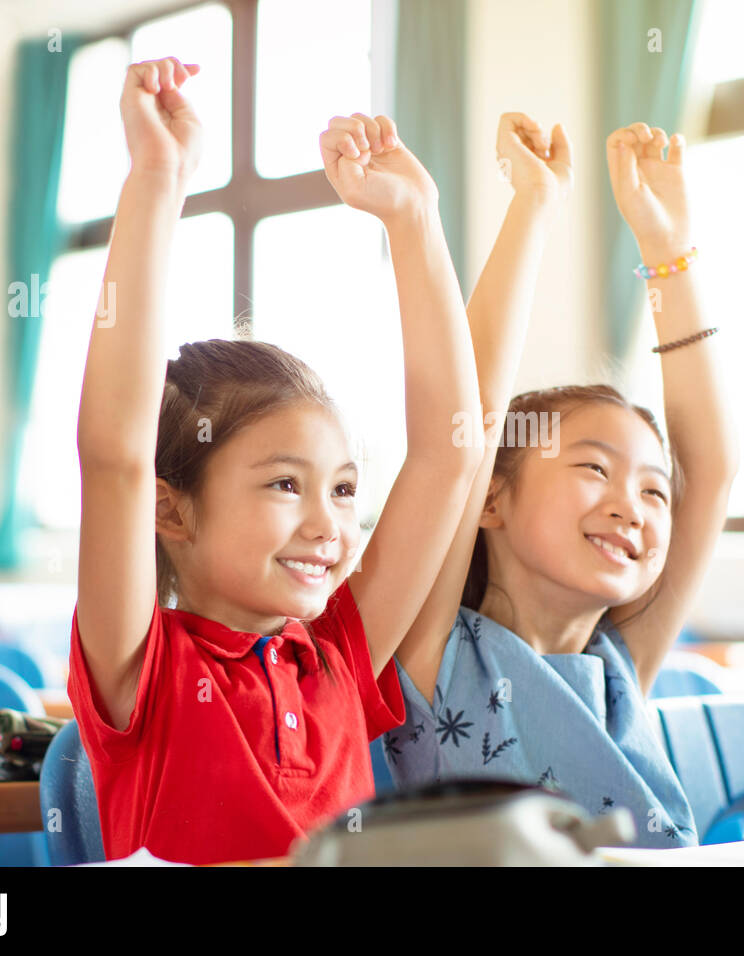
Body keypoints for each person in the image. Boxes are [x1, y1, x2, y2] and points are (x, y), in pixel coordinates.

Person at [69, 57, 482, 863]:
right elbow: (114, 455)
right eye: (286, 484)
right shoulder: (143, 670)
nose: (329, 522)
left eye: (345, 489)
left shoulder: (335, 657)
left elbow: (448, 453)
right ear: (170, 509)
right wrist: (158, 179)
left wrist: (415, 220)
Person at [383, 115, 738, 848]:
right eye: (593, 469)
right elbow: (465, 419)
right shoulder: (432, 651)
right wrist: (532, 206)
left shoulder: (618, 666)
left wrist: (667, 252)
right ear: (490, 499)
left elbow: (709, 469)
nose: (630, 508)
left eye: (652, 490)